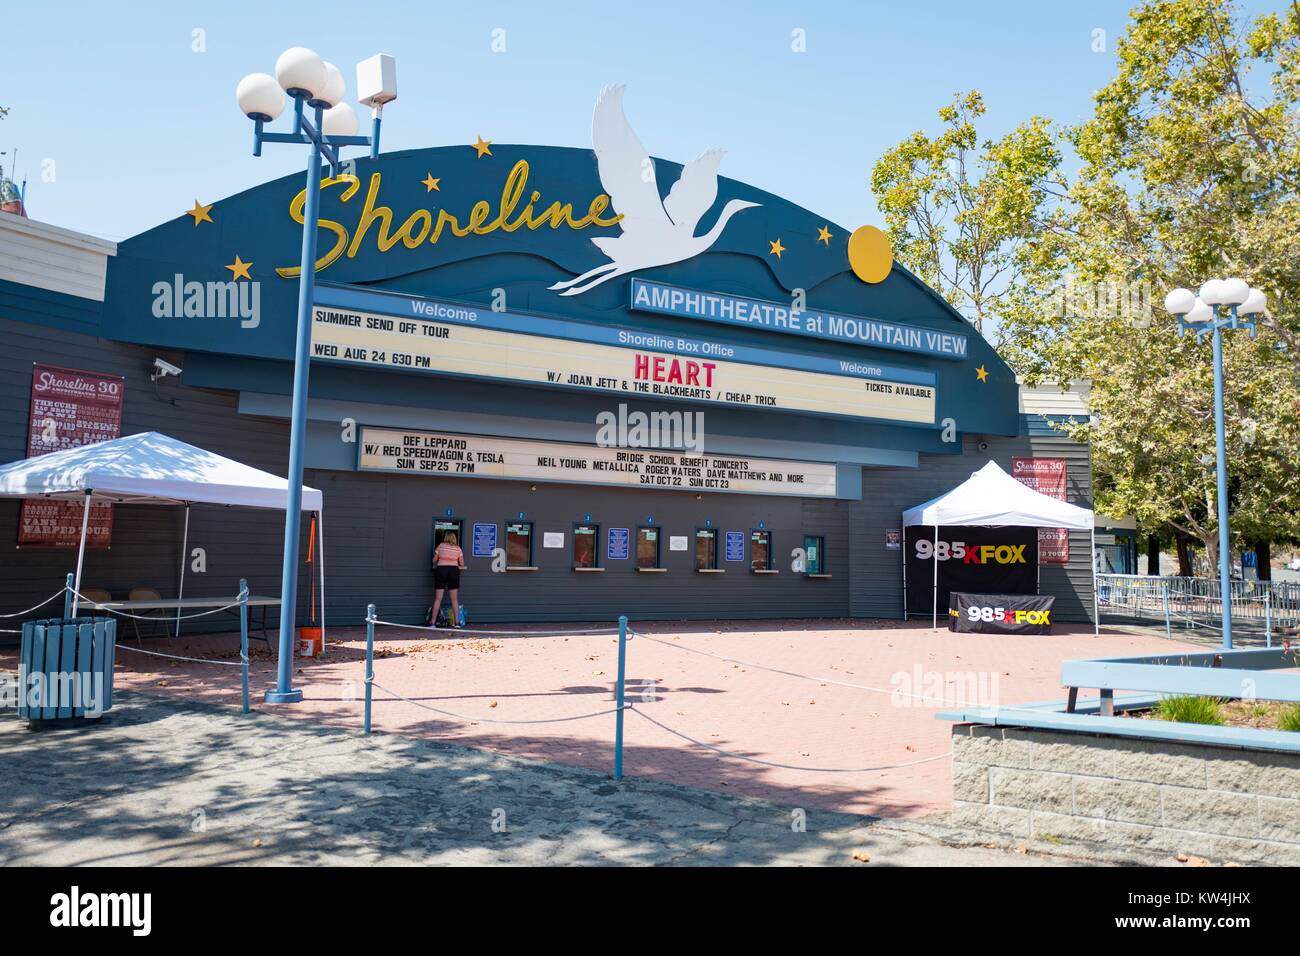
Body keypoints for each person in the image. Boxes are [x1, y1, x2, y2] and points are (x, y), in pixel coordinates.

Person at [431, 532, 467, 629]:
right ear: (454, 538)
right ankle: (457, 623)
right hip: (453, 571)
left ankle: (433, 623)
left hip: (441, 570)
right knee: (454, 599)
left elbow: (434, 560)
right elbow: (462, 563)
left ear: (446, 537)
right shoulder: (458, 548)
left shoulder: (441, 546)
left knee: (438, 598)